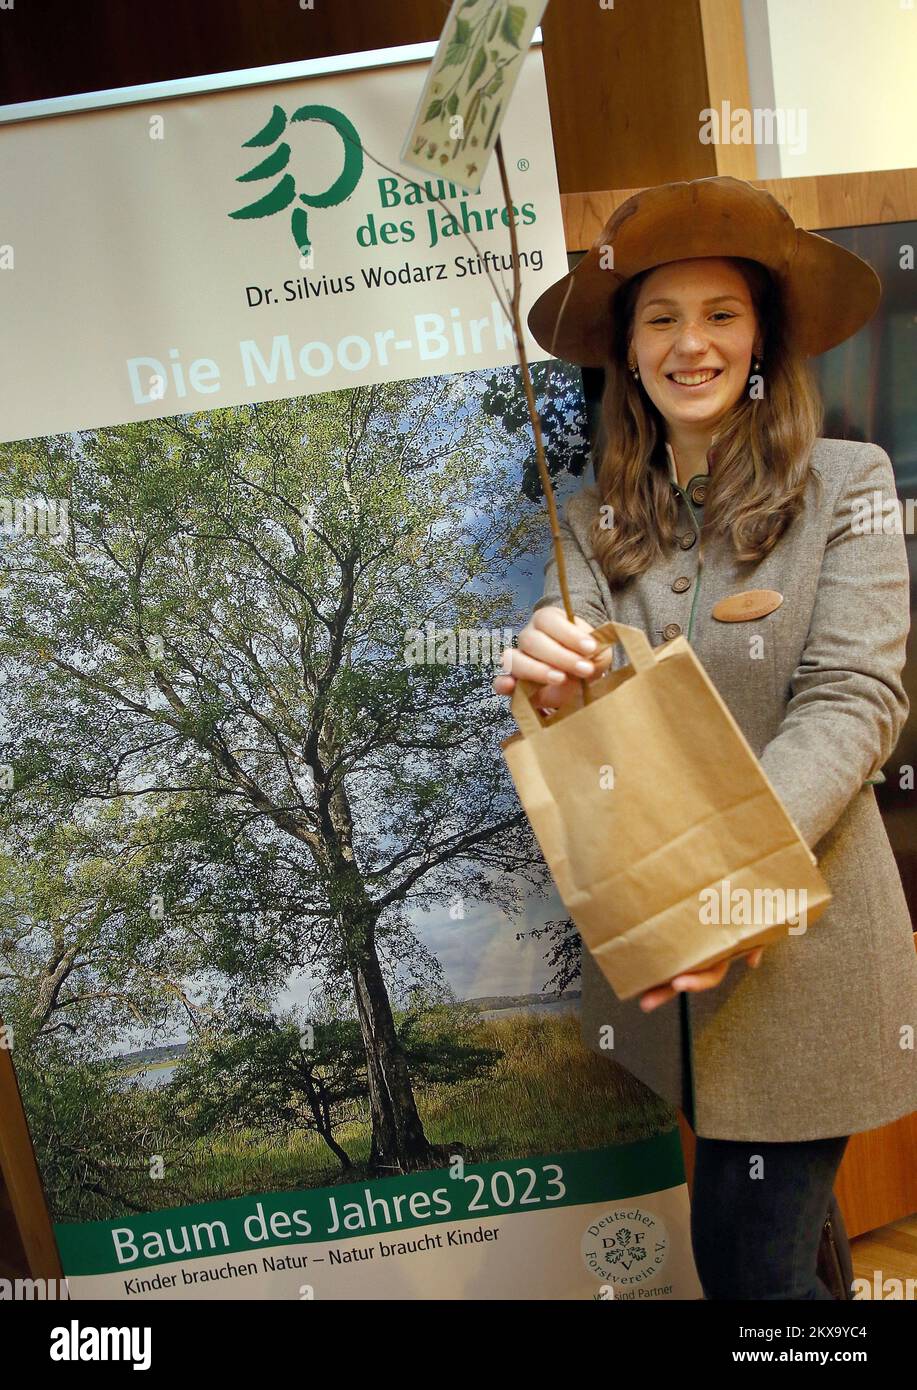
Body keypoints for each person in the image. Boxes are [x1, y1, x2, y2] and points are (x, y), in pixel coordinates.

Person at [494, 176, 917, 1300]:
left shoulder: (849, 485)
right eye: (660, 317)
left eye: (720, 313)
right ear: (625, 350)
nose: (692, 342)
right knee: (775, 1247)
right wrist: (545, 674)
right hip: (667, 976)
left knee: (749, 1270)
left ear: (761, 340)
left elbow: (852, 699)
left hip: (804, 962)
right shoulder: (586, 520)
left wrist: (729, 884)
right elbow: (585, 713)